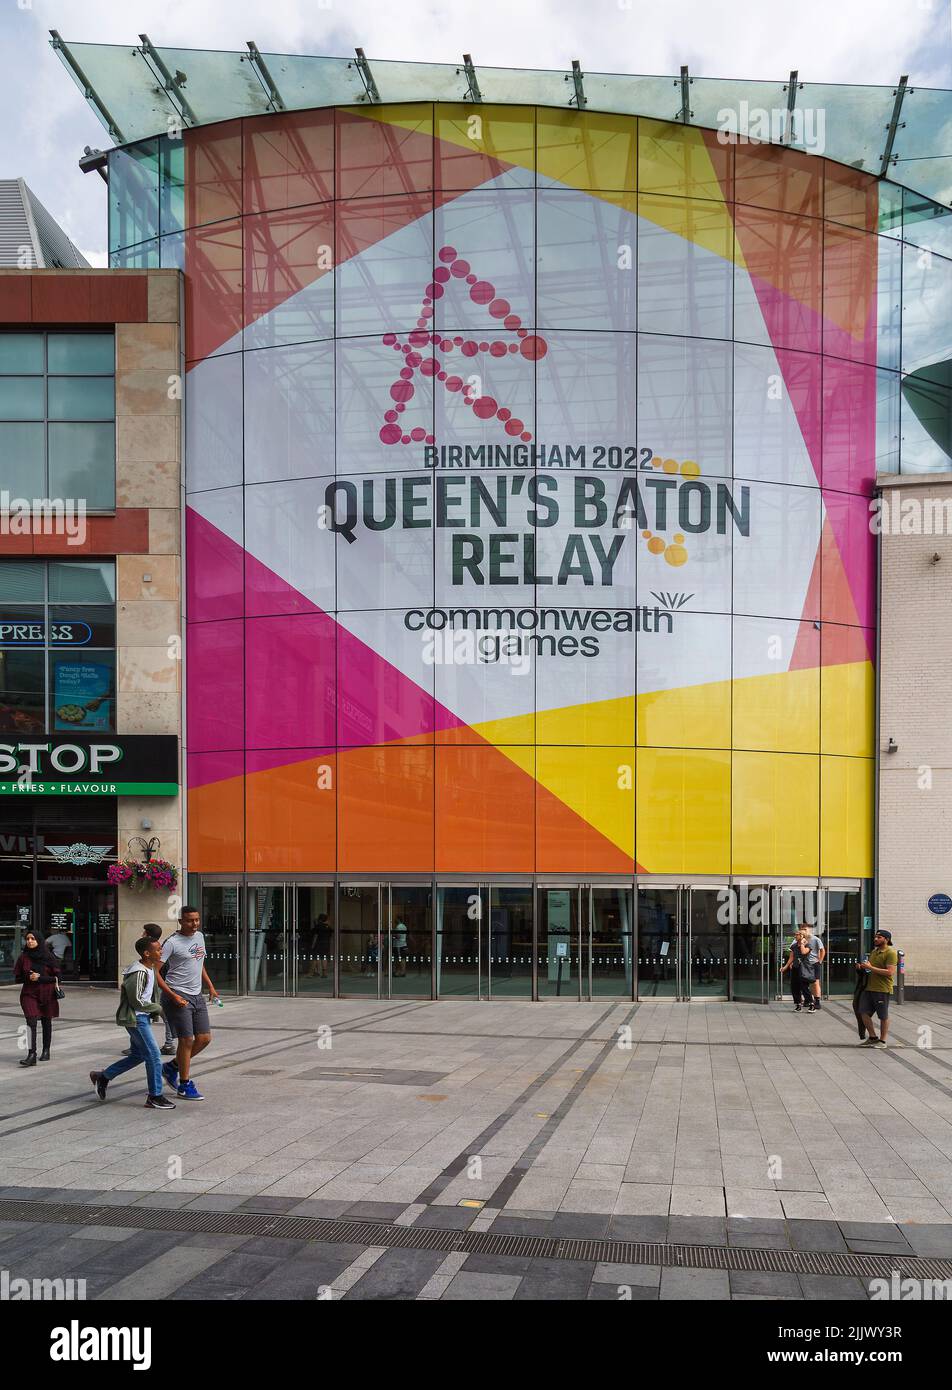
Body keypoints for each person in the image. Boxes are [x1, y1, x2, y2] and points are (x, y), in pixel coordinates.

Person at [89, 937, 181, 1110]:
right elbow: (137, 1000)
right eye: (158, 949)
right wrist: (159, 1009)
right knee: (154, 1055)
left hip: (142, 1017)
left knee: (139, 1055)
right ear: (147, 953)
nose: (161, 952)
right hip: (136, 1019)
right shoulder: (138, 972)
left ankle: (104, 1076)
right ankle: (155, 1096)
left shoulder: (150, 968)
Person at [159, 905, 218, 1101]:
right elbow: (154, 971)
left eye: (197, 920)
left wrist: (210, 986)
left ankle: (171, 1067)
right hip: (177, 994)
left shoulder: (199, 937)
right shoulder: (172, 943)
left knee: (204, 1038)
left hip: (197, 994)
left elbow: (199, 963)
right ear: (181, 921)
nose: (194, 924)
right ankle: (184, 1085)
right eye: (190, 920)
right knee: (187, 1040)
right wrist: (172, 995)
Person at [120, 924, 177, 1056]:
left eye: (144, 933)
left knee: (160, 1016)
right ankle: (137, 1046)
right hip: (153, 992)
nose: (142, 935)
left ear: (148, 935)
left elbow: (157, 975)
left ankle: (168, 1044)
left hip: (157, 991)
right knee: (148, 1018)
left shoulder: (155, 954)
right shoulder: (149, 957)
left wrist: (167, 993)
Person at [13, 929, 61, 1065]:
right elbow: (17, 978)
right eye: (27, 939)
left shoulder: (48, 956)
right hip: (29, 993)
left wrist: (41, 978)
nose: (29, 941)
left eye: (32, 939)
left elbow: (58, 978)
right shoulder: (23, 957)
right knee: (31, 1022)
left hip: (47, 993)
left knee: (46, 1021)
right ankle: (31, 1054)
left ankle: (46, 1049)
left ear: (39, 941)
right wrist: (28, 977)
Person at [858, 929, 899, 1048]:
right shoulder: (874, 952)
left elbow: (890, 972)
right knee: (863, 1012)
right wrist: (862, 967)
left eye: (879, 937)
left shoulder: (891, 953)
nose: (876, 939)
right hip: (869, 988)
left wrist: (870, 967)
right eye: (875, 937)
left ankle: (882, 1041)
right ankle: (872, 1037)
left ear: (887, 940)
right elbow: (870, 969)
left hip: (882, 989)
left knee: (883, 1016)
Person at [780, 928, 811, 1011]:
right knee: (794, 986)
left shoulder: (807, 945)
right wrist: (785, 967)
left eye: (797, 934)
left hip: (804, 968)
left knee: (804, 986)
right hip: (795, 968)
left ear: (802, 936)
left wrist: (802, 943)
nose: (795, 936)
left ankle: (811, 1004)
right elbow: (791, 957)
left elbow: (804, 952)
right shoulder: (793, 946)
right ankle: (798, 1004)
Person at [307, 913, 332, 978]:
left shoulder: (318, 926)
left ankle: (311, 973)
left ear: (320, 919)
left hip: (318, 944)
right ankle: (324, 973)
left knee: (315, 958)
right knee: (324, 958)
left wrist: (313, 945)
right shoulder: (328, 927)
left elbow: (315, 936)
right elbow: (330, 936)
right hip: (326, 944)